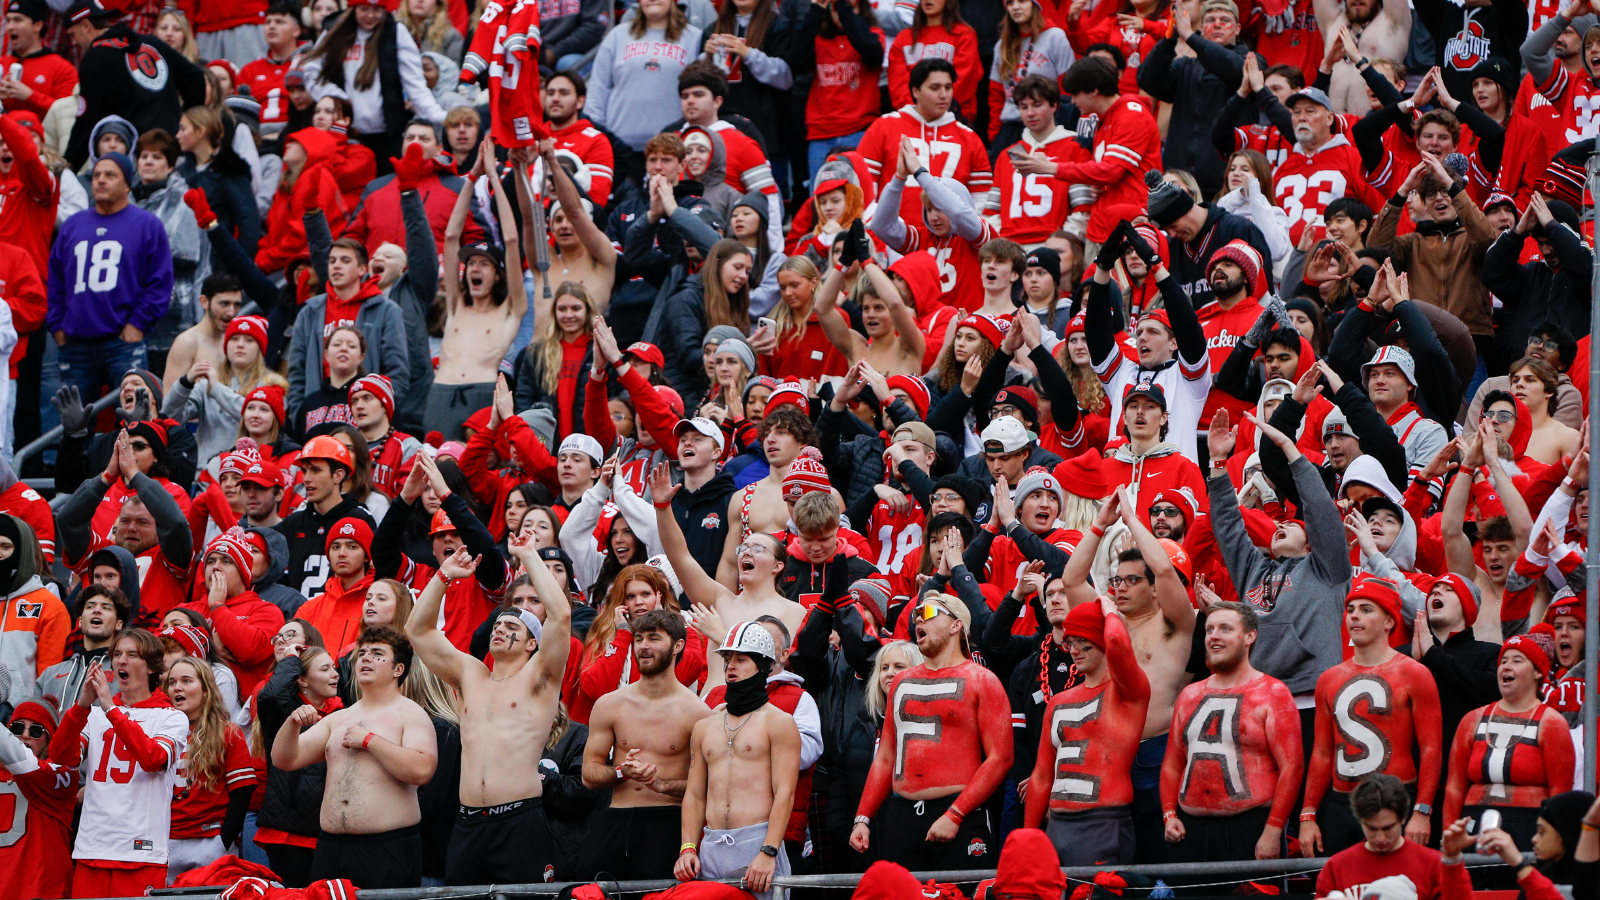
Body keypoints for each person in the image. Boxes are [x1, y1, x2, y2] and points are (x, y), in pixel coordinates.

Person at [405, 533, 571, 885]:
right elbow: (416, 630)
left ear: (532, 644)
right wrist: (443, 577)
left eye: (512, 626)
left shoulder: (540, 678)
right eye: (497, 624)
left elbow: (561, 613)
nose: (500, 629)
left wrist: (528, 555)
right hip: (467, 822)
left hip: (519, 820)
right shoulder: (470, 674)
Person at [850, 593, 1011, 870]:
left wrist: (956, 814)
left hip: (960, 812)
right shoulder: (902, 681)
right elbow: (887, 755)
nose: (917, 619)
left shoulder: (982, 679)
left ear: (955, 625)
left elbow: (1001, 758)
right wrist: (863, 818)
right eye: (916, 614)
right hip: (901, 815)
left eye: (926, 613)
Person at [271, 626, 438, 889]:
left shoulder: (411, 714)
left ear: (398, 669)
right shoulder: (339, 718)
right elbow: (284, 760)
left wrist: (370, 741)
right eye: (362, 653)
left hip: (385, 847)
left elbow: (423, 770)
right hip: (331, 847)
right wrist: (291, 725)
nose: (366, 658)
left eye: (377, 653)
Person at [1299, 576, 1443, 858]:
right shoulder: (1328, 679)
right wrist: (1308, 815)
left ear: (1389, 621)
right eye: (1351, 608)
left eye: (1366, 609)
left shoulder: (1414, 674)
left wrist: (1422, 811)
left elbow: (1431, 749)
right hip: (1342, 803)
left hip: (1396, 802)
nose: (1354, 616)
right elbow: (1321, 753)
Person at [51, 629, 189, 898]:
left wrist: (111, 711)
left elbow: (154, 759)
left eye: (132, 655)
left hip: (141, 853)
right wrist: (80, 707)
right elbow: (60, 757)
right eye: (117, 654)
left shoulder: (171, 718)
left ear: (151, 667)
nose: (121, 661)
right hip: (93, 849)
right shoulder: (94, 715)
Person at [1160, 601, 1302, 862]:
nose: (1214, 635)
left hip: (1250, 828)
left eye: (1225, 629)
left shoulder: (1272, 693)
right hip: (1189, 831)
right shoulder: (1189, 694)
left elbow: (1292, 767)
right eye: (1210, 629)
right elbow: (1172, 764)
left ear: (1249, 636)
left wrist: (1273, 830)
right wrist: (1169, 815)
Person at [582, 608, 714, 879]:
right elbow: (588, 774)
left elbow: (709, 787)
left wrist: (663, 785)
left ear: (678, 646)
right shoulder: (610, 704)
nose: (643, 646)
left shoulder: (698, 713)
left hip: (667, 822)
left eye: (654, 638)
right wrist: (622, 772)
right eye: (639, 638)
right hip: (615, 819)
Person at [677, 623, 801, 898]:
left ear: (762, 665)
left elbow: (785, 793)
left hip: (758, 844)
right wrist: (687, 848)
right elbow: (695, 795)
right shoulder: (704, 726)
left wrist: (769, 851)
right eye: (726, 659)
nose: (730, 666)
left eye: (741, 659)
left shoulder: (780, 723)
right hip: (711, 847)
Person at [1023, 595, 1149, 867]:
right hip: (1057, 824)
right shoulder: (1058, 702)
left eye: (1084, 642)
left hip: (1103, 822)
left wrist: (1108, 610)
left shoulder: (1128, 692)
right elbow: (1042, 776)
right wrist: (1029, 837)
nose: (1074, 650)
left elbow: (1116, 643)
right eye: (1070, 642)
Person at [46, 151, 174, 405]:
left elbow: (160, 282)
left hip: (123, 342)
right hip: (75, 342)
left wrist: (138, 324)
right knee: (73, 429)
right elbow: (56, 280)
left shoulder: (148, 225)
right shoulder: (73, 225)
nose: (101, 180)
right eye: (96, 175)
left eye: (110, 175)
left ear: (127, 183)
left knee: (135, 420)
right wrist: (57, 326)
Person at [1443, 630, 1576, 850]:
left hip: (1527, 827)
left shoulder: (1551, 723)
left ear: (1537, 672)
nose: (1506, 666)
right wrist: (1450, 836)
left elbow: (1559, 791)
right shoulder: (1472, 719)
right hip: (1474, 823)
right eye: (1503, 661)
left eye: (1517, 660)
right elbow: (1455, 787)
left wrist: (1554, 842)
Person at [433, 139, 528, 440]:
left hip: (482, 396)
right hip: (440, 393)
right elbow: (451, 237)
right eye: (471, 263)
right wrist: (472, 176)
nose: (475, 268)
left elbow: (512, 241)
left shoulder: (510, 310)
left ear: (498, 275)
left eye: (484, 264)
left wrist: (493, 178)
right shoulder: (455, 305)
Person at [297, 0, 446, 165]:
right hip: (346, 133)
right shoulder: (335, 29)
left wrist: (437, 116)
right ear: (353, 8)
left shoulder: (396, 32)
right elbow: (311, 72)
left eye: (376, 10)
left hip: (388, 134)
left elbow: (415, 84)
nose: (370, 15)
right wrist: (337, 98)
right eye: (364, 9)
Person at [63, 0, 207, 171]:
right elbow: (196, 78)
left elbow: (87, 118)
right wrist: (182, 125)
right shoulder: (152, 42)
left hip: (135, 158)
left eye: (72, 35)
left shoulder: (95, 58)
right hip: (172, 151)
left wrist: (69, 166)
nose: (73, 42)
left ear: (86, 25)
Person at [286, 238, 410, 421]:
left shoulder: (386, 311)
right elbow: (296, 372)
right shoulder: (309, 312)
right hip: (317, 415)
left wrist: (380, 415)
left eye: (345, 261)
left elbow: (397, 372)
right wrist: (300, 415)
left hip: (366, 417)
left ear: (362, 269)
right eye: (332, 261)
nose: (336, 266)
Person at [163, 657, 256, 882]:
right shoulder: (158, 731)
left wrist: (221, 844)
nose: (178, 687)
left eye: (187, 681)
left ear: (206, 690)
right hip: (163, 842)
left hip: (209, 841)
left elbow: (242, 794)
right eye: (172, 682)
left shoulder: (228, 732)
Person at [586, 0, 706, 152]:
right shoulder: (617, 35)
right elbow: (598, 87)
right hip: (620, 144)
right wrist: (598, 132)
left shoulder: (694, 37)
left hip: (674, 145)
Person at [274, 435, 376, 599]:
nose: (306, 479)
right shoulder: (292, 524)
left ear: (338, 475)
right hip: (297, 619)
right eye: (304, 471)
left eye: (316, 470)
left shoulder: (360, 519)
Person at [1314, 774, 1446, 899]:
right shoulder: (1337, 867)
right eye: (1371, 828)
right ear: (1360, 821)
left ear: (1403, 819)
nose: (1380, 838)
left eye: (1388, 828)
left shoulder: (1433, 864)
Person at [0, 695, 79, 900]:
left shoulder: (61, 774)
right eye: (17, 728)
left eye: (36, 731)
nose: (25, 735)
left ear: (50, 740)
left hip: (43, 891)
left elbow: (26, 766)